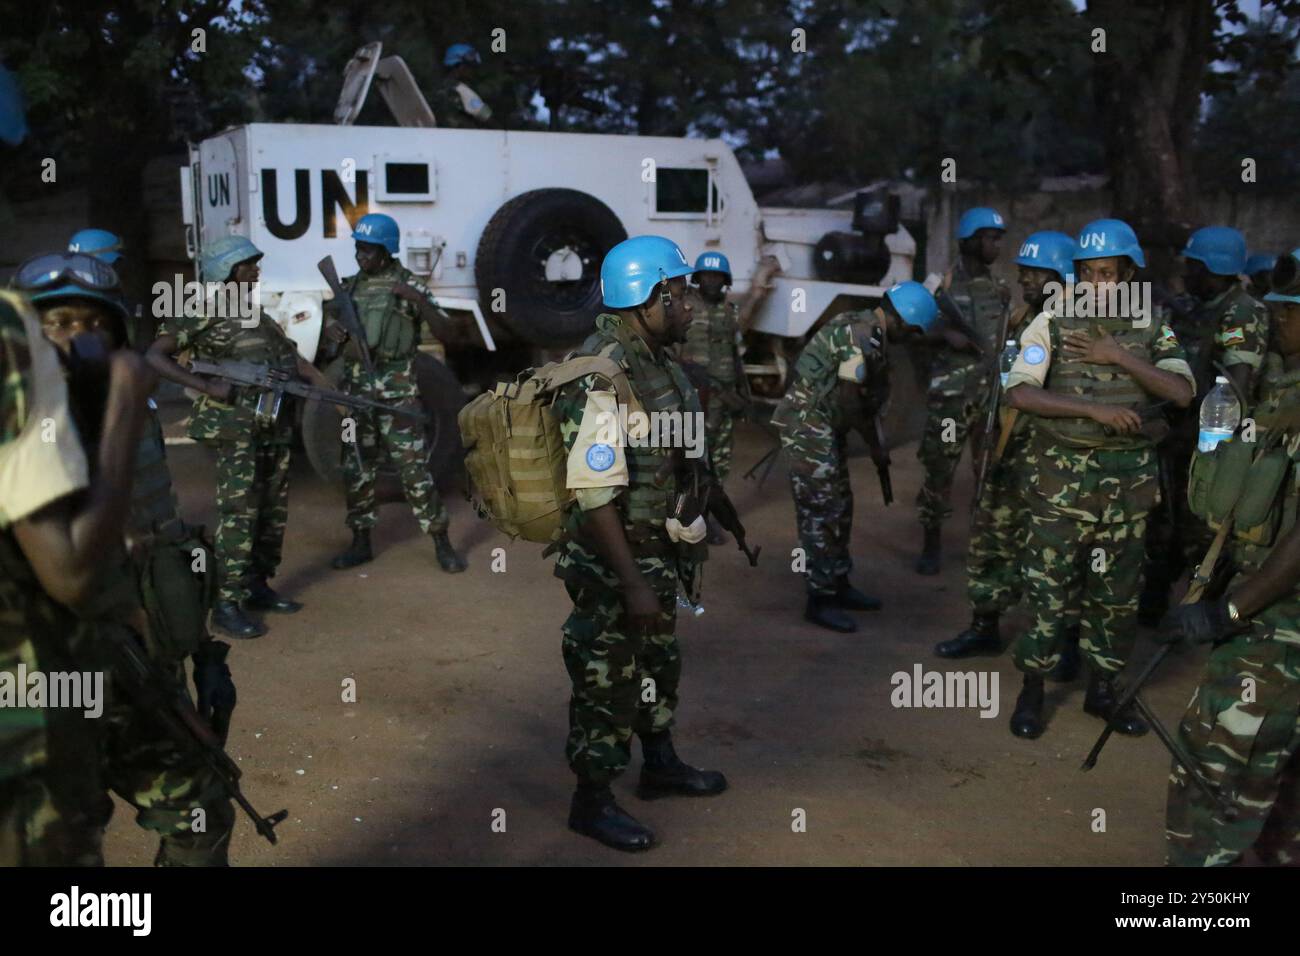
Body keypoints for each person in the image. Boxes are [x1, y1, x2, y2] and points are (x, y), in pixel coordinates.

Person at [16, 252, 236, 864]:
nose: (75, 340)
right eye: (56, 324)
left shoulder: (125, 409)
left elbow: (158, 536)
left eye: (92, 325)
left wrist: (195, 649)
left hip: (139, 665)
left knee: (201, 809)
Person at [552, 235, 726, 852]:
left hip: (657, 550)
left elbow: (674, 453)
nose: (688, 306)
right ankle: (591, 801)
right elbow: (594, 493)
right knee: (606, 678)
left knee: (657, 664)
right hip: (613, 559)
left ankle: (659, 765)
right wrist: (631, 584)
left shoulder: (658, 361)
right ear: (648, 297)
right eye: (678, 295)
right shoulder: (603, 372)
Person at [1003, 218, 1195, 739]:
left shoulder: (1155, 325)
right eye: (1086, 273)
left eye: (1107, 273)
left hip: (1128, 485)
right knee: (1047, 588)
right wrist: (1092, 411)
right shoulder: (1053, 320)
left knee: (1117, 592)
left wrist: (1119, 356)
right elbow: (1020, 393)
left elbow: (1180, 392)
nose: (1095, 284)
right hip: (1061, 478)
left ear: (1129, 273)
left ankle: (1103, 691)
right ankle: (1033, 690)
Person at [1159, 281, 1300, 866]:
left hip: (1282, 624)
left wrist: (1231, 610)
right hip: (1266, 600)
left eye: (1291, 312)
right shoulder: (1284, 386)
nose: (1278, 320)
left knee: (1216, 762)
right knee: (1279, 774)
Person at [147, 235, 308, 638]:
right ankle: (226, 602)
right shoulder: (203, 310)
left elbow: (291, 358)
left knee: (271, 510)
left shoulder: (256, 315)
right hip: (234, 429)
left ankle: (257, 584)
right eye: (249, 264)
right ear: (229, 271)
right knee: (240, 513)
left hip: (270, 426)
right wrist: (207, 387)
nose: (256, 269)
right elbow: (155, 355)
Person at [936, 230, 1078, 667]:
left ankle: (1065, 642)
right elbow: (997, 384)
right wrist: (984, 442)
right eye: (1023, 271)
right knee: (992, 539)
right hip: (1007, 451)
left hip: (1054, 459)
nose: (1026, 279)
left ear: (1062, 276)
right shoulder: (1016, 319)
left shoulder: (1076, 327)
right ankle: (985, 626)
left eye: (1036, 272)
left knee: (1058, 553)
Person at [774, 281, 936, 633]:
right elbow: (850, 400)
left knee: (841, 504)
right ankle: (819, 598)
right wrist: (875, 445)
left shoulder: (869, 330)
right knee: (821, 510)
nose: (910, 339)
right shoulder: (859, 336)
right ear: (902, 320)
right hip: (808, 424)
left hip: (826, 425)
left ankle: (839, 581)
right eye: (911, 332)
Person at [1139, 226, 1270, 625]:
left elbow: (1236, 389)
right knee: (1164, 525)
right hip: (1178, 439)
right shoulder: (1194, 306)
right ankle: (1156, 604)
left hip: (1215, 447)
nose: (1186, 275)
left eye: (1193, 267)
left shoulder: (1242, 312)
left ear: (1213, 268)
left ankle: (1198, 615)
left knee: (1205, 534)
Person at [323, 212, 467, 573]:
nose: (361, 257)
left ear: (387, 250)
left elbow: (449, 332)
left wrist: (418, 301)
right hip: (357, 392)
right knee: (356, 468)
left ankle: (441, 541)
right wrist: (334, 331)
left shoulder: (408, 285)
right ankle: (360, 542)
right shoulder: (350, 286)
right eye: (358, 249)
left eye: (369, 251)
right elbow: (331, 332)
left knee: (414, 469)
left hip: (397, 391)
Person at [915, 206, 1011, 575]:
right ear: (969, 241)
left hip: (990, 395)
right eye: (989, 238)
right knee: (939, 467)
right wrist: (944, 335)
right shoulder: (940, 284)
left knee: (988, 471)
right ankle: (931, 543)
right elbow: (911, 329)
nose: (996, 246)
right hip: (951, 397)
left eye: (998, 238)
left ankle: (983, 545)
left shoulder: (1000, 288)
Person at [679, 251, 778, 542]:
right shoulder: (684, 306)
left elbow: (735, 351)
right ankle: (689, 517)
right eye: (707, 276)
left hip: (724, 398)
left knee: (720, 461)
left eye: (717, 277)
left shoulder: (727, 310)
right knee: (694, 459)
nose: (711, 281)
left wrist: (740, 393)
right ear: (697, 279)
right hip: (695, 397)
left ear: (725, 281)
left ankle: (708, 516)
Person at [435, 43, 494, 128]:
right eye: (471, 67)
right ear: (460, 67)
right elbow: (487, 118)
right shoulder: (461, 90)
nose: (473, 72)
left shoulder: (438, 88)